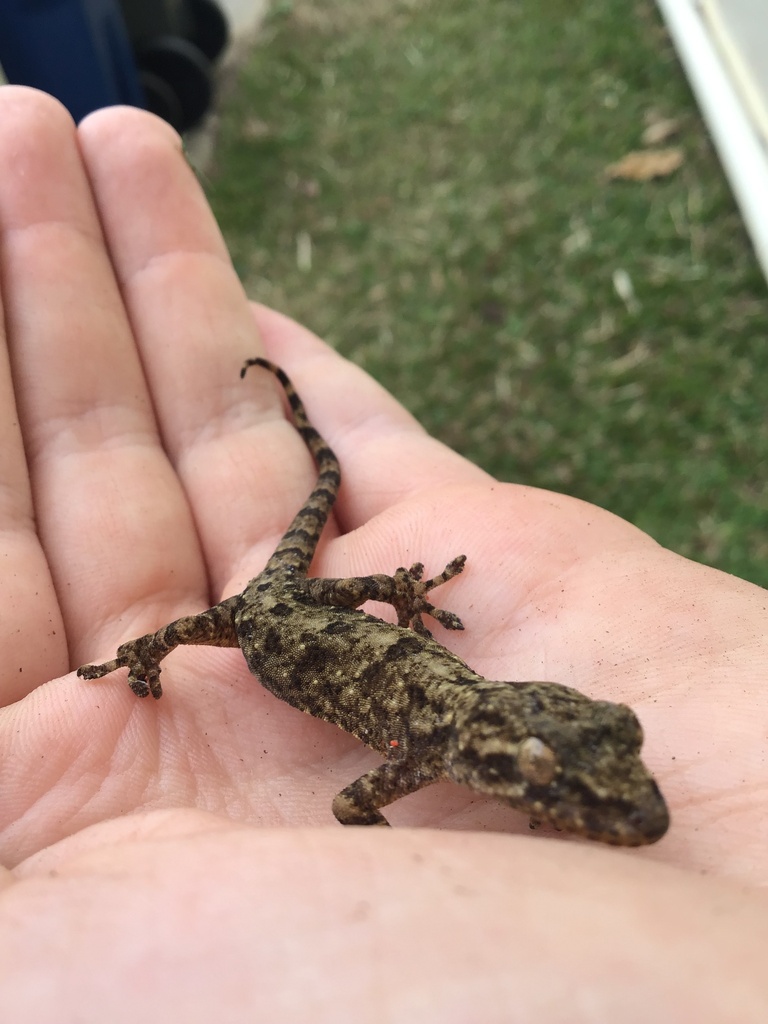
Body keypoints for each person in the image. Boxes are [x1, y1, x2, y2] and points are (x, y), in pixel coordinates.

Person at [0, 86, 765, 1019]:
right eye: (555, 784)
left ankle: (324, 540)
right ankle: (148, 651)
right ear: (500, 756)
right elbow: (352, 810)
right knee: (198, 624)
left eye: (575, 774)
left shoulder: (449, 733)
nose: (623, 809)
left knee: (308, 581)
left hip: (324, 619)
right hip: (274, 626)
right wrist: (153, 657)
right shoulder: (417, 756)